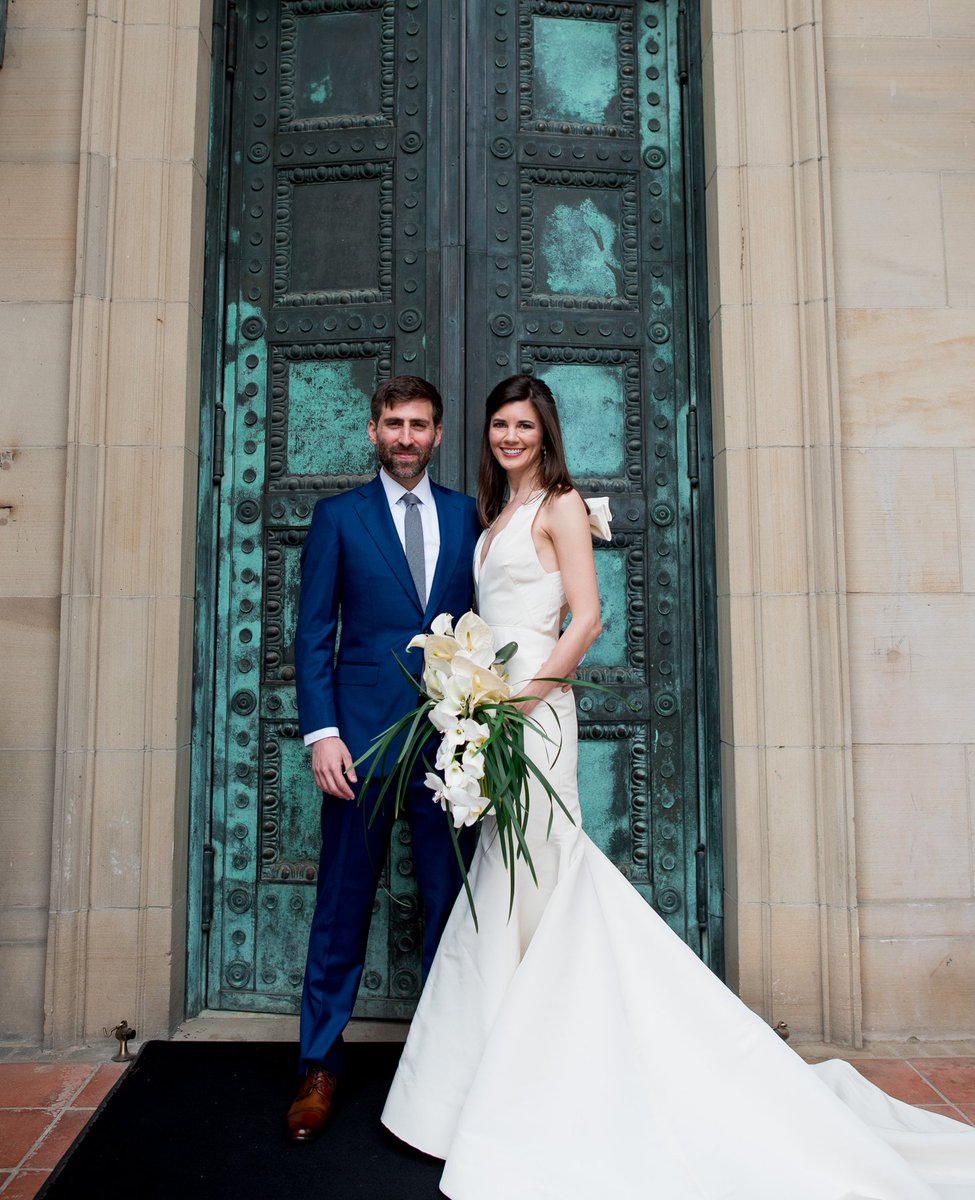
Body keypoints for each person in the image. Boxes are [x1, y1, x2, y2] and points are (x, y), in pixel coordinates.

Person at [382, 375, 975, 1199]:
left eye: (524, 426)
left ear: (545, 434)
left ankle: (552, 1074)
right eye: (500, 425)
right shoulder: (496, 513)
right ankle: (491, 1079)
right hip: (493, 711)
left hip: (534, 713)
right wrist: (473, 695)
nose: (510, 437)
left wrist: (519, 700)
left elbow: (586, 618)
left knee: (539, 873)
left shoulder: (560, 504)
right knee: (509, 877)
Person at [288, 375, 481, 1143]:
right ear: (373, 430)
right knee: (341, 906)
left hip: (449, 745)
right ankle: (318, 1064)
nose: (406, 437)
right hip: (358, 743)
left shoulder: (470, 515)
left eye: (419, 424)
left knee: (447, 904)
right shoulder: (338, 517)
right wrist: (321, 733)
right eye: (394, 423)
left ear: (438, 434)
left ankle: (442, 1069)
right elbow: (313, 633)